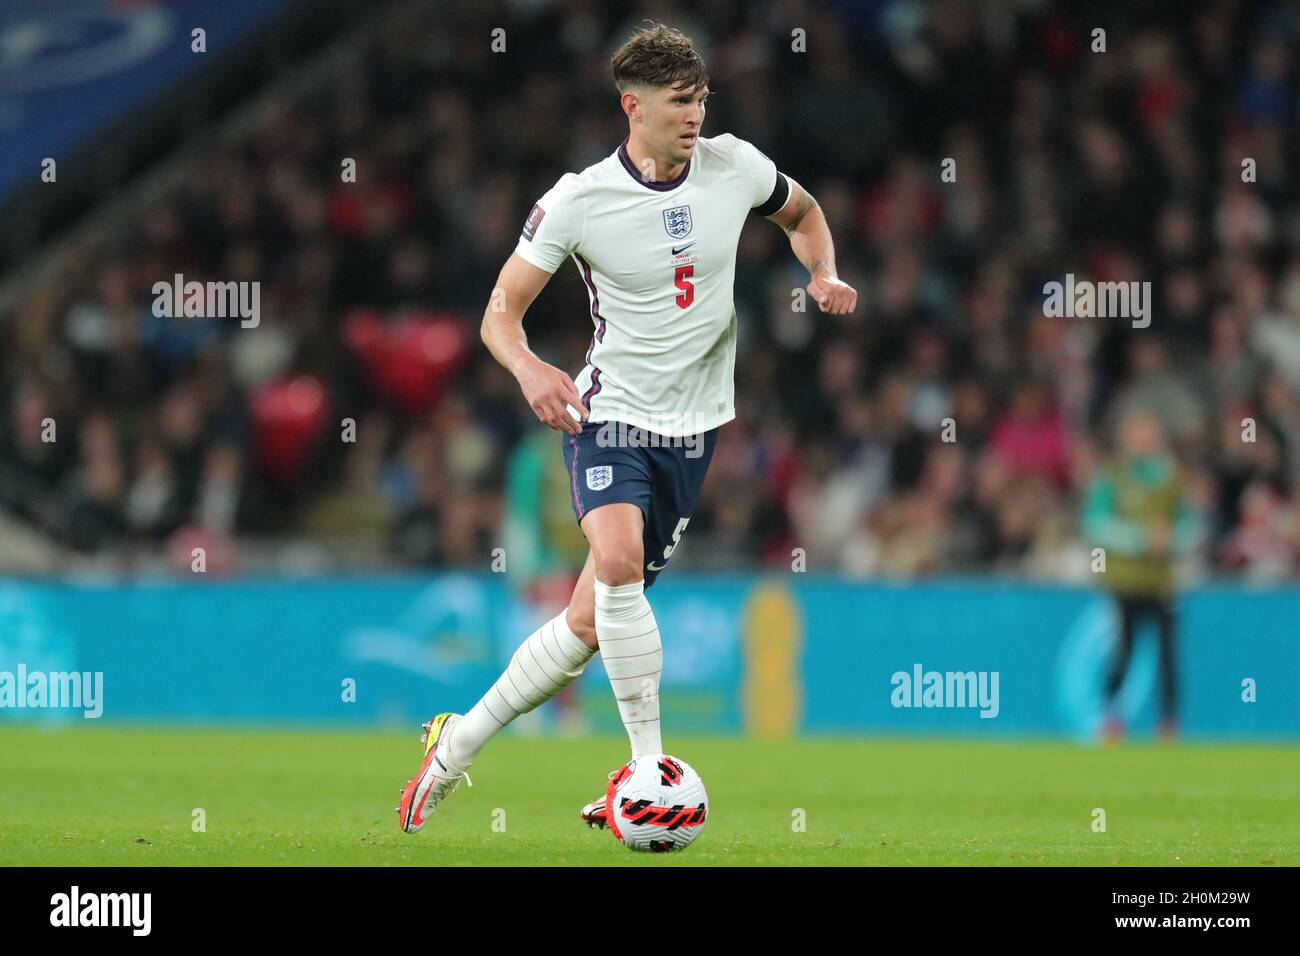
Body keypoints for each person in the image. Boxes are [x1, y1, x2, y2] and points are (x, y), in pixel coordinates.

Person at [397, 22, 857, 833]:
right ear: (631, 107)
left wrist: (821, 272)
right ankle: (647, 765)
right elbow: (500, 312)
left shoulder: (735, 166)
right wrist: (532, 368)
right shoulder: (578, 200)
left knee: (583, 627)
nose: (695, 116)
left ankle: (456, 743)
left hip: (696, 429)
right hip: (608, 413)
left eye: (702, 99)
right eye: (680, 103)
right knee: (617, 559)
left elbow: (805, 212)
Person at [1081, 406, 1199, 744]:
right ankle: (1109, 716)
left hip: (1162, 581)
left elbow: (1191, 525)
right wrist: (1141, 539)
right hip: (1124, 580)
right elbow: (1096, 523)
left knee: (1168, 653)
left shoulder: (1171, 478)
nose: (1143, 441)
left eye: (1148, 433)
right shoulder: (1113, 475)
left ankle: (1168, 723)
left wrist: (1173, 538)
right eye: (1137, 434)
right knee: (1124, 651)